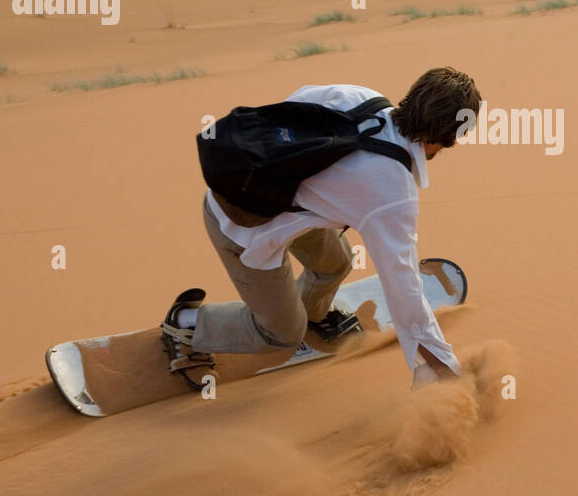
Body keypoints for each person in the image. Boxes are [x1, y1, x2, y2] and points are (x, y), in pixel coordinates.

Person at [161, 67, 482, 389]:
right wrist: (439, 363)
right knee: (282, 333)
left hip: (272, 197)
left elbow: (288, 115)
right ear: (447, 138)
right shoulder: (391, 193)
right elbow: (403, 287)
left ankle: (315, 314)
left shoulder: (359, 96)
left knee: (337, 261)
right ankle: (188, 325)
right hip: (241, 226)